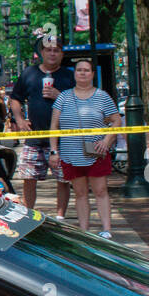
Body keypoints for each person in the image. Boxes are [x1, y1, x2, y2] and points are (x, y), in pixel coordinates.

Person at [49, 59, 121, 238]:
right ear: (74, 73)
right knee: (80, 193)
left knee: (101, 190)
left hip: (96, 152)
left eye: (86, 70)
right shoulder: (63, 97)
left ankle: (106, 229)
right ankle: (84, 231)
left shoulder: (102, 96)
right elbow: (54, 126)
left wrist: (107, 140)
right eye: (79, 70)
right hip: (70, 153)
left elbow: (117, 120)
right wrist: (53, 150)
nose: (82, 73)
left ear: (92, 74)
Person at [10, 35, 75, 215]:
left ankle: (60, 217)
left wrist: (58, 95)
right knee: (29, 178)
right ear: (41, 53)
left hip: (62, 140)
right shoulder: (29, 73)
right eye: (48, 50)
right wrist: (20, 119)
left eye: (56, 50)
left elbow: (79, 104)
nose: (52, 54)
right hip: (34, 138)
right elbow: (15, 99)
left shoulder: (69, 76)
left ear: (62, 54)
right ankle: (28, 215)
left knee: (63, 180)